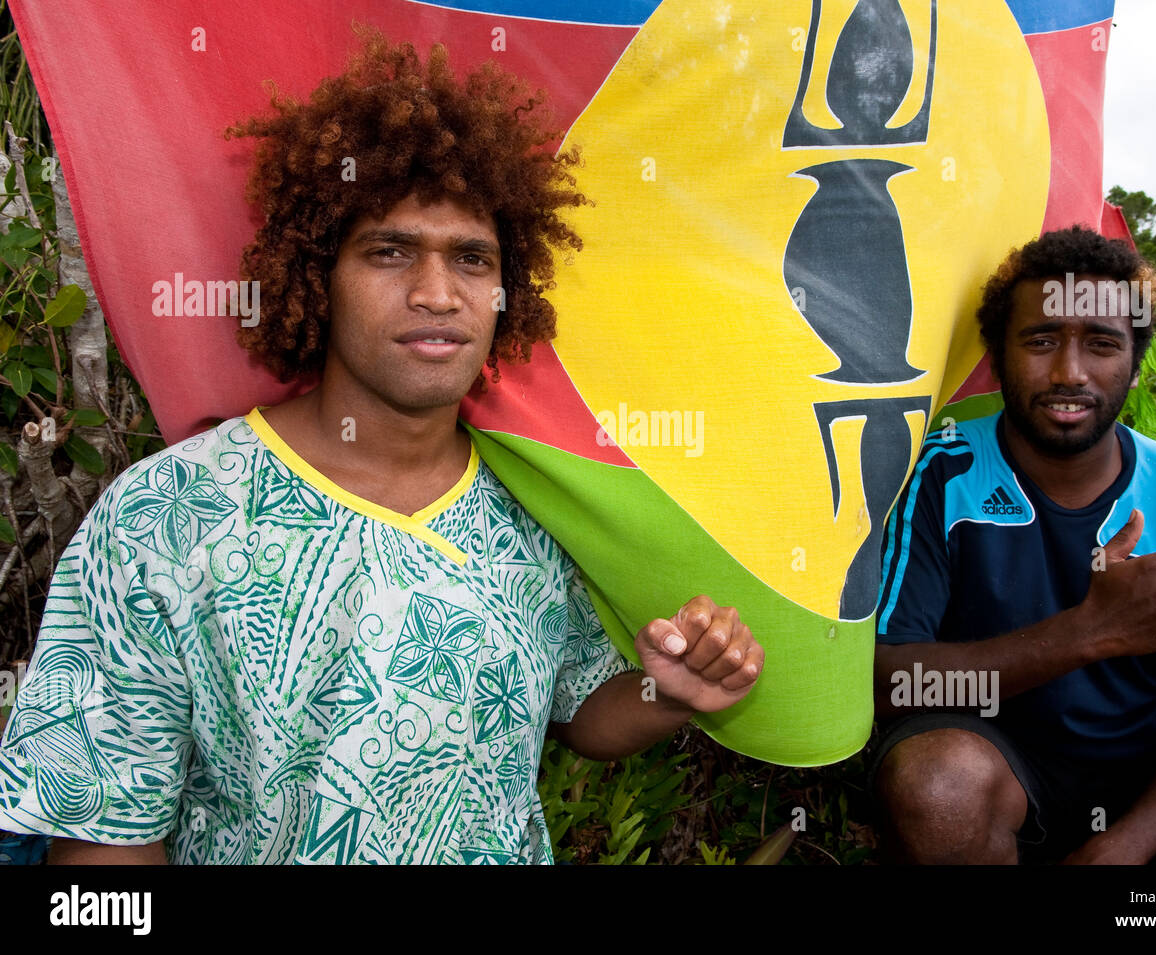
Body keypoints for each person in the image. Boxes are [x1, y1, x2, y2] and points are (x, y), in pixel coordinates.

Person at [0, 32, 763, 865]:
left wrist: (669, 691)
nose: (437, 294)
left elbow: (580, 713)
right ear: (315, 275)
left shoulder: (540, 496)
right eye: (390, 251)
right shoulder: (167, 515)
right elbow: (108, 843)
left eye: (472, 259)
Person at [868, 225, 1156, 864]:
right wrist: (1089, 632)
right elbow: (892, 683)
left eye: (1101, 344)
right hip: (984, 767)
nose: (1069, 373)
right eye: (1041, 341)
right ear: (999, 353)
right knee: (940, 785)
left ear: (1132, 358)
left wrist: (1127, 844)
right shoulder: (938, 476)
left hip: (1139, 777)